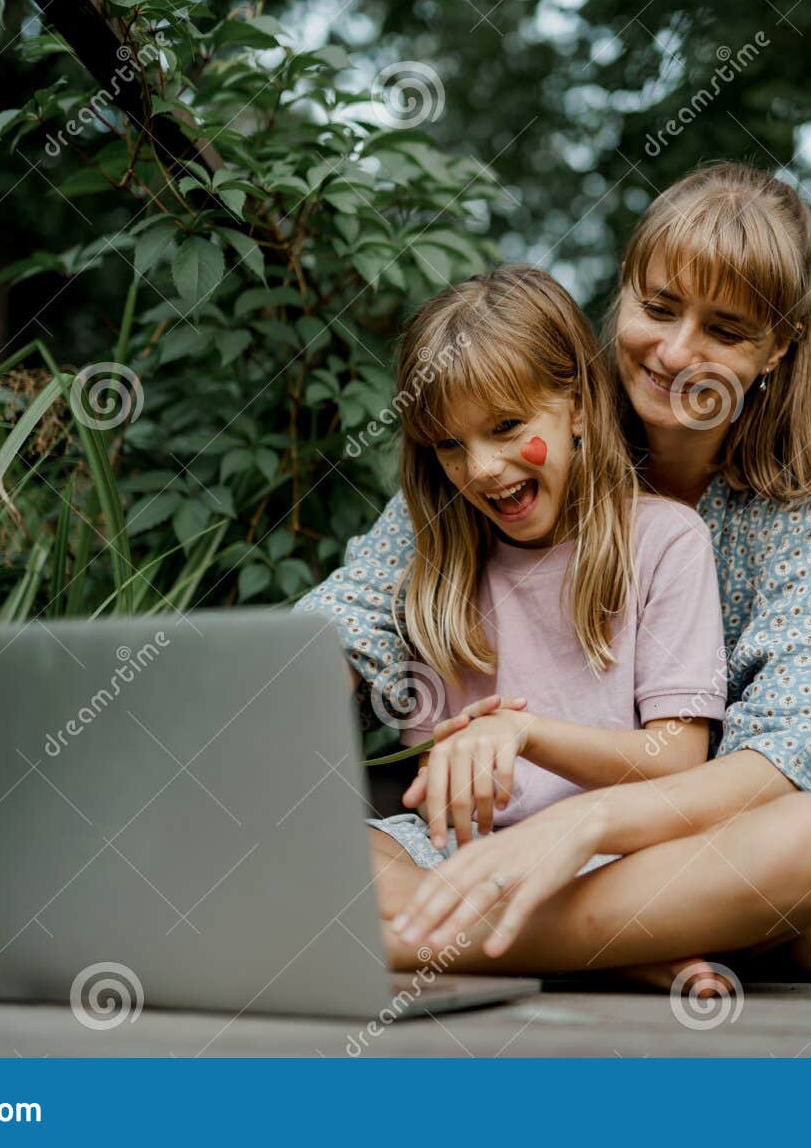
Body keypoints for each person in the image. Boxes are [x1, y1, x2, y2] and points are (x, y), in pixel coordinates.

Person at [301, 163, 811, 991]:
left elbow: (798, 750)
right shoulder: (515, 418)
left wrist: (585, 820)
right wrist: (281, 694)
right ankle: (613, 945)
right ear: (624, 293)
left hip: (696, 824)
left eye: (724, 330)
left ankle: (421, 938)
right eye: (658, 308)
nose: (676, 352)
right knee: (311, 840)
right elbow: (360, 604)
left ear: (777, 345)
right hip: (498, 838)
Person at [297, 263, 729, 917]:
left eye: (504, 427)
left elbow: (679, 760)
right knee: (321, 855)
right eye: (450, 444)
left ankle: (458, 930)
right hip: (462, 855)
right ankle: (564, 943)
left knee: (728, 865)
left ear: (578, 407)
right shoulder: (442, 562)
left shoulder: (666, 541)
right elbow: (432, 790)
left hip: (613, 850)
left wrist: (525, 733)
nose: (480, 468)